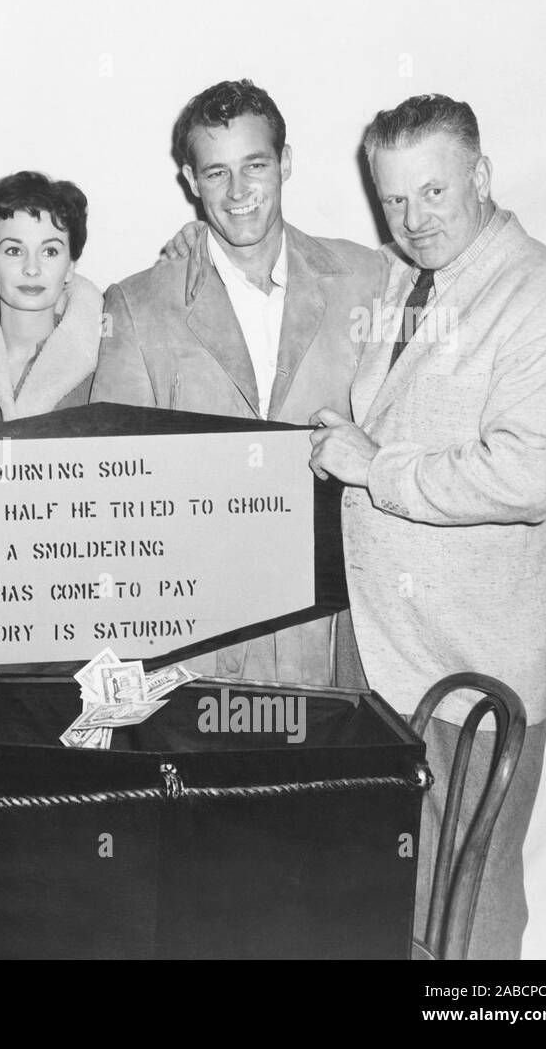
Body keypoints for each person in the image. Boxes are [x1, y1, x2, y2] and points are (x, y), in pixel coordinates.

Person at [309, 94, 546, 959]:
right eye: (394, 200)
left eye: (433, 193)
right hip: (383, 652)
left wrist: (374, 464)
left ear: (481, 175)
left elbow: (522, 476)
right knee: (397, 894)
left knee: (468, 908)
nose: (413, 220)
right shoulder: (406, 276)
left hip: (472, 663)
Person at [90, 79, 384, 687]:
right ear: (190, 181)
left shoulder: (368, 279)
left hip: (338, 642)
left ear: (286, 162)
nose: (239, 191)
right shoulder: (139, 305)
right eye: (216, 173)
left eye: (255, 165)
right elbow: (109, 487)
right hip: (198, 646)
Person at [0, 171, 102, 433]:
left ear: (70, 267)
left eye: (50, 251)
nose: (32, 268)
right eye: (14, 250)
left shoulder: (104, 360)